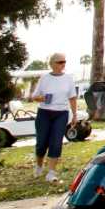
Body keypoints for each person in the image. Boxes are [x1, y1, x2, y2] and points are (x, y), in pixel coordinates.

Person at [31, 52, 78, 182]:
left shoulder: (68, 78)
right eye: (60, 62)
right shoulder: (44, 78)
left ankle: (51, 172)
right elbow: (34, 96)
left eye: (64, 62)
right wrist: (42, 98)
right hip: (44, 113)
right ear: (52, 64)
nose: (63, 64)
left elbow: (72, 97)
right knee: (41, 143)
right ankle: (39, 166)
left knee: (56, 142)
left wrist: (74, 115)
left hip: (61, 113)